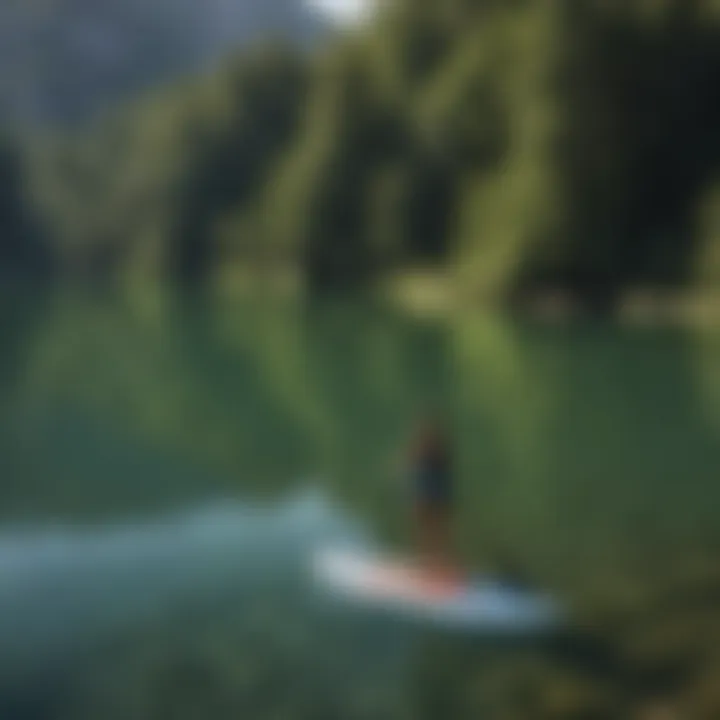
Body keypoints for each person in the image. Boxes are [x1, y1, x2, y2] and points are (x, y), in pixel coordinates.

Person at [399, 414, 458, 580]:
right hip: (439, 496)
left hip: (430, 496)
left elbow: (413, 465)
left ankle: (431, 566)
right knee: (436, 531)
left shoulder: (425, 450)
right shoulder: (442, 450)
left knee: (429, 531)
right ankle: (435, 565)